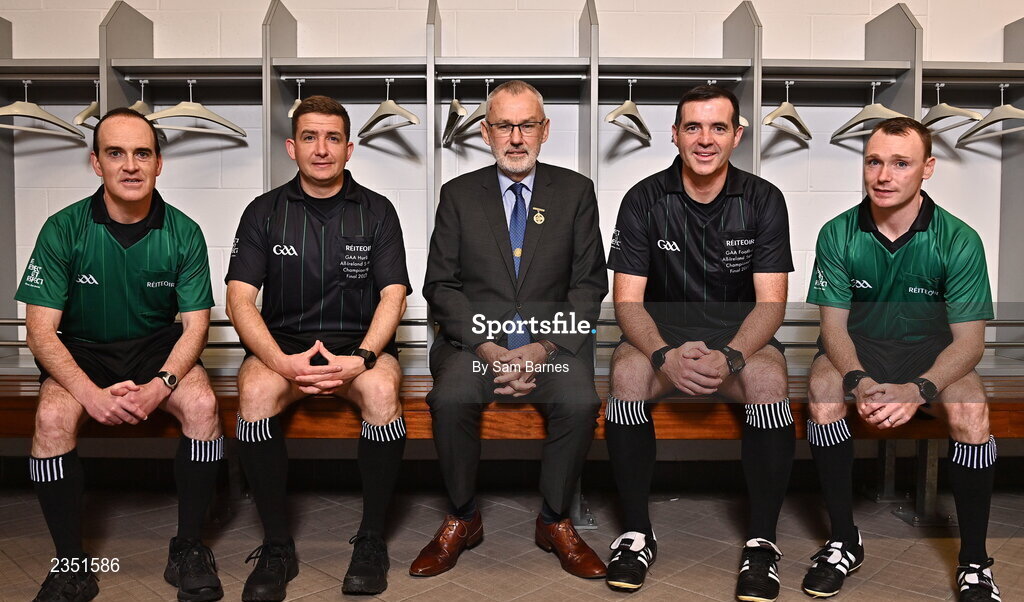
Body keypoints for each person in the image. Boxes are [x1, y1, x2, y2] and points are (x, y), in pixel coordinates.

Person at [17, 108, 223, 602]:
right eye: (116, 153)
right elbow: (40, 332)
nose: (130, 165)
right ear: (96, 163)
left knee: (204, 407)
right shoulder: (62, 228)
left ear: (158, 164)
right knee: (50, 420)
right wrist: (90, 396)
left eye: (142, 153)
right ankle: (70, 565)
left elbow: (197, 326)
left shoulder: (184, 232)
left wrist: (162, 385)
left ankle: (189, 548)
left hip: (157, 349)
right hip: (82, 354)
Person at [604, 85, 795, 599]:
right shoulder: (644, 198)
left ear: (737, 134)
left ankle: (762, 543)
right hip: (661, 344)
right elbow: (627, 303)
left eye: (717, 127)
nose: (704, 139)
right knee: (625, 374)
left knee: (770, 378)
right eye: (693, 127)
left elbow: (771, 304)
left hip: (736, 345)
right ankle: (637, 533)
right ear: (674, 135)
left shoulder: (763, 200)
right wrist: (664, 355)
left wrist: (731, 356)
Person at [413, 80, 608, 580]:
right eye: (504, 125)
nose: (516, 137)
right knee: (450, 399)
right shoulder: (458, 195)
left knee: (581, 401)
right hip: (475, 346)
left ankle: (555, 520)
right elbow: (441, 285)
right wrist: (488, 348)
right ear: (485, 132)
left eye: (527, 125)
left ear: (545, 130)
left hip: (554, 345)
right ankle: (463, 517)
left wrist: (543, 347)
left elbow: (589, 285)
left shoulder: (575, 192)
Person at [803, 117, 1000, 602]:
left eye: (900, 163)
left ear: (927, 168)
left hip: (932, 356)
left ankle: (975, 561)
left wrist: (918, 390)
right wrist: (859, 380)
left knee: (973, 413)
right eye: (873, 161)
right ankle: (844, 541)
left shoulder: (958, 239)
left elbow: (969, 344)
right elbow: (832, 329)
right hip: (859, 350)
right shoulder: (838, 234)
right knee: (824, 393)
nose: (883, 175)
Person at [226, 95, 411, 600]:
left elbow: (394, 296)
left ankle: (371, 541)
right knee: (256, 395)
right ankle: (277, 546)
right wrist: (277, 361)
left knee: (381, 394)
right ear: (292, 147)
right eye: (309, 137)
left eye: (332, 138)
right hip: (282, 351)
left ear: (349, 148)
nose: (321, 149)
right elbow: (239, 301)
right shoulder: (264, 212)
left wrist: (364, 359)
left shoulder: (378, 212)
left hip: (358, 350)